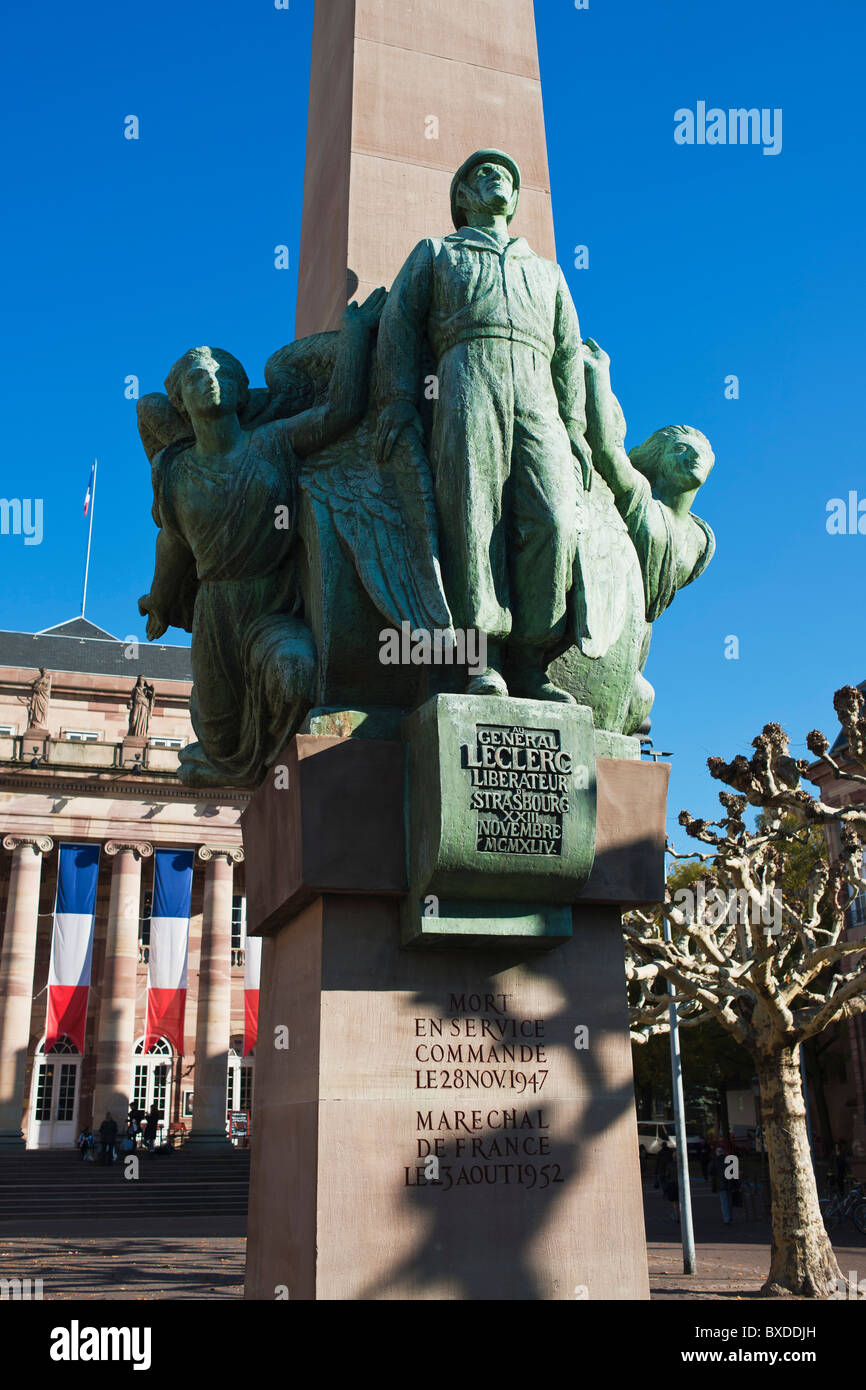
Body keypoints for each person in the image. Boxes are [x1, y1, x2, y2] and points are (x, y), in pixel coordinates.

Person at [139, 289, 386, 787]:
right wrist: (161, 600)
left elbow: (341, 412)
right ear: (181, 402)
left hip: (275, 604)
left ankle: (295, 767)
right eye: (196, 379)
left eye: (222, 375)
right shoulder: (173, 470)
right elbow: (174, 543)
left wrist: (357, 336)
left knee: (295, 672)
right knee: (219, 737)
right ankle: (240, 765)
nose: (211, 382)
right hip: (215, 610)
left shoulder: (272, 442)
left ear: (238, 390)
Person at [376, 149, 595, 702]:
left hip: (538, 390)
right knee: (473, 513)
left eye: (508, 178)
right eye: (483, 175)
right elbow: (398, 325)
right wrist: (400, 400)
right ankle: (483, 660)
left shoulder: (546, 272)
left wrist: (574, 426)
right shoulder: (437, 253)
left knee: (552, 520)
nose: (499, 181)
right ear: (463, 198)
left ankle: (530, 659)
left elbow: (569, 352)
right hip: (466, 376)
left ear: (518, 201)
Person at [582, 338, 715, 625]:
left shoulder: (702, 540)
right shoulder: (639, 498)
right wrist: (598, 373)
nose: (694, 455)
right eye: (680, 448)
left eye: (702, 451)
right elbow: (606, 450)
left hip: (640, 636)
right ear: (657, 459)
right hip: (608, 623)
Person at [712, 1145, 736, 1224]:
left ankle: (726, 1218)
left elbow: (711, 1172)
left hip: (720, 1183)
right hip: (729, 1183)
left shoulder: (715, 1161)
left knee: (724, 1201)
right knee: (729, 1200)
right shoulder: (729, 1160)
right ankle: (730, 1216)